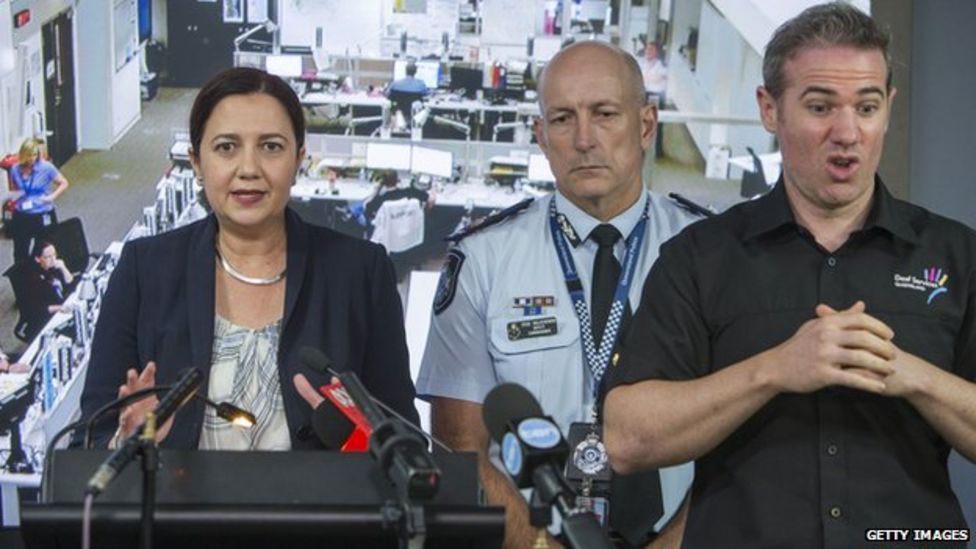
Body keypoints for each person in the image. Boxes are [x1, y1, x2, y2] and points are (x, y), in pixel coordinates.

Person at [604, 4, 976, 548]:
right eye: (820, 106)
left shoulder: (956, 253)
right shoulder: (701, 257)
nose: (847, 132)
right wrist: (774, 370)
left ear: (889, 109)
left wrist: (911, 375)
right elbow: (627, 437)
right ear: (769, 109)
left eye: (867, 107)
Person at [417, 41, 703, 548]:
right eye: (564, 119)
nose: (585, 139)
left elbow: (744, 443)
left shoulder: (709, 252)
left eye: (605, 114)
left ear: (646, 124)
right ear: (541, 136)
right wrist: (540, 545)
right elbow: (462, 448)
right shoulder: (484, 259)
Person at [78, 67, 418, 450]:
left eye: (271, 147)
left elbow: (405, 442)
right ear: (196, 163)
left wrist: (352, 438)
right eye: (226, 147)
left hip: (318, 507)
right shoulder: (145, 269)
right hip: (176, 505)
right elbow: (89, 439)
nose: (249, 169)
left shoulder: (359, 272)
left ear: (299, 159)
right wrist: (127, 441)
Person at [7, 138, 70, 262]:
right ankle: (23, 277)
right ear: (23, 154)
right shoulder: (15, 169)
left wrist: (51, 197)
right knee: (20, 250)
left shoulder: (46, 167)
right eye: (29, 155)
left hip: (42, 213)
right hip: (22, 215)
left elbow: (64, 183)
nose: (32, 158)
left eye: (34, 155)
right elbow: (14, 189)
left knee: (43, 249)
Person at [21, 240, 74, 341]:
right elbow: (36, 309)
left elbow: (71, 285)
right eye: (48, 257)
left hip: (61, 309)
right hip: (44, 320)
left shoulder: (55, 268)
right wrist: (59, 308)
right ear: (37, 259)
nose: (53, 259)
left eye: (54, 255)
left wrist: (63, 268)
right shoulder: (33, 279)